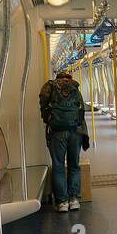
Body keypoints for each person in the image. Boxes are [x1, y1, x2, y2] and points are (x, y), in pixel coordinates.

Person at [39, 68, 87, 212]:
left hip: (57, 132)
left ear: (57, 77)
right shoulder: (75, 88)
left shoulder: (49, 86)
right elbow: (82, 110)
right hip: (75, 131)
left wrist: (50, 120)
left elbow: (43, 106)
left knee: (58, 166)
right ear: (69, 77)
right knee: (74, 165)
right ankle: (74, 200)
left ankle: (62, 203)